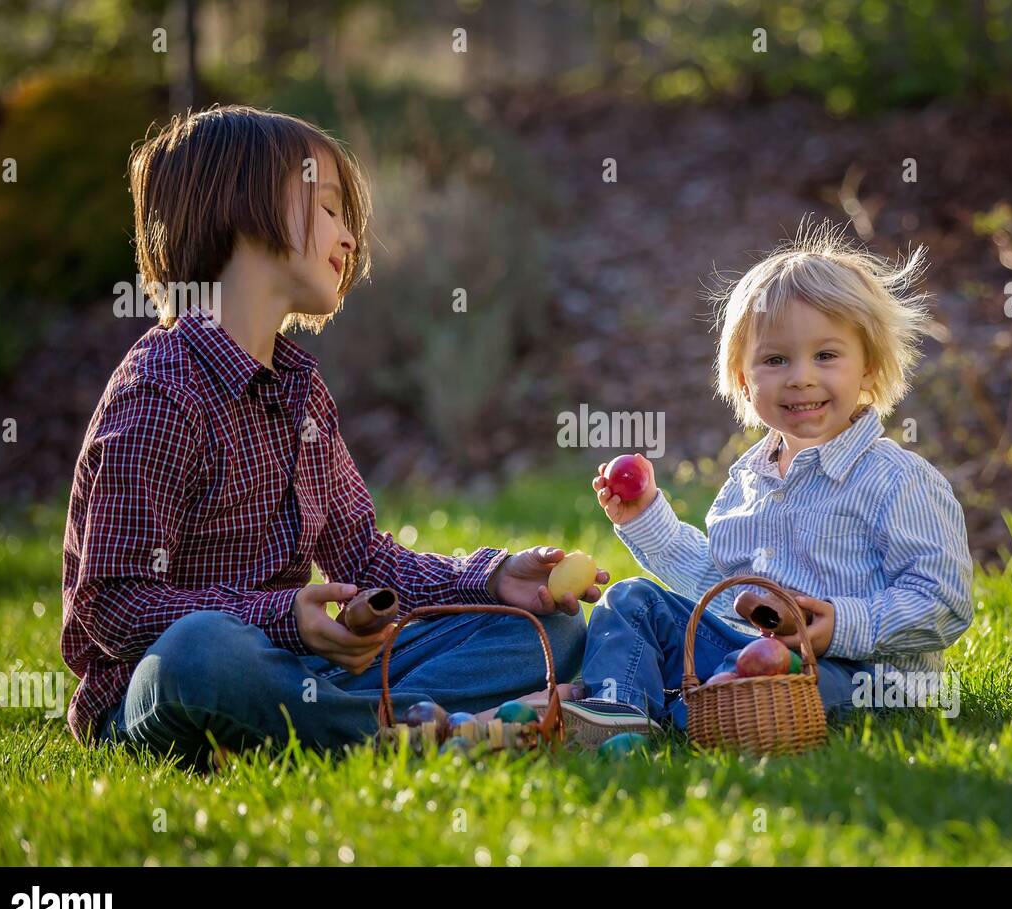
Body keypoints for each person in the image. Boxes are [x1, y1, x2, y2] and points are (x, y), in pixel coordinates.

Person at [60, 105, 606, 770]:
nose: (348, 239)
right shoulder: (162, 391)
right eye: (326, 209)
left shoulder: (300, 393)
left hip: (305, 670)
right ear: (240, 204)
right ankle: (400, 731)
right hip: (164, 693)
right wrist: (283, 617)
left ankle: (377, 728)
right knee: (200, 651)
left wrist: (492, 578)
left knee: (549, 629)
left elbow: (370, 564)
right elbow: (114, 605)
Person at [575, 222, 974, 735]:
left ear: (869, 369)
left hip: (861, 674)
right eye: (775, 359)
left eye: (826, 356)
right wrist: (647, 517)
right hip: (752, 651)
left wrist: (840, 627)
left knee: (765, 672)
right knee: (632, 601)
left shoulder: (898, 481)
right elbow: (716, 590)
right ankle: (616, 714)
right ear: (743, 379)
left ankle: (693, 709)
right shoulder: (747, 483)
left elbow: (943, 599)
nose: (801, 376)